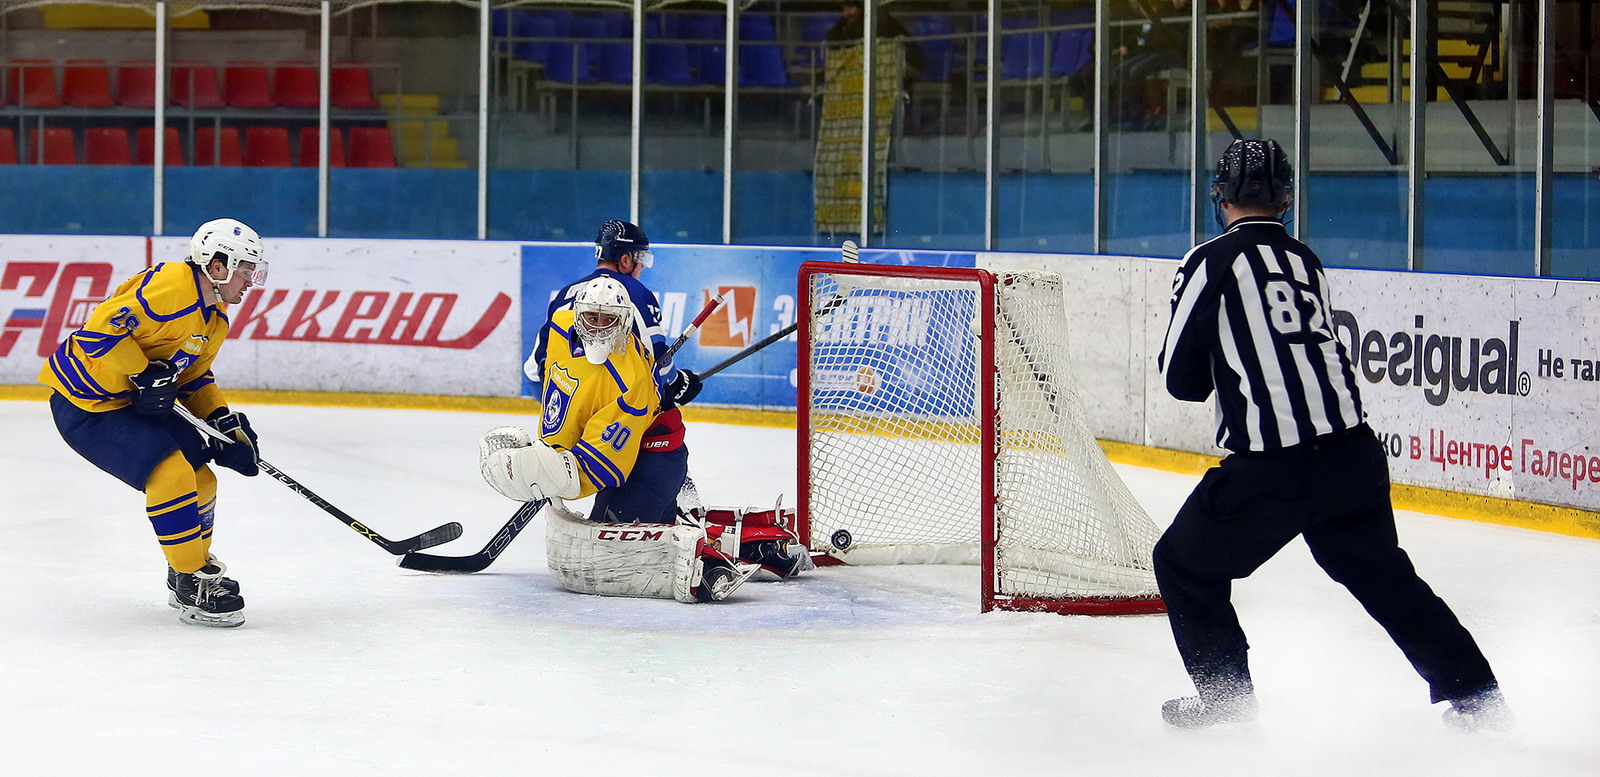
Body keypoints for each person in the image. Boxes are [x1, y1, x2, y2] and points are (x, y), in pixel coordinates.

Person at [1154, 138, 1510, 731]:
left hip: (1274, 466)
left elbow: (1180, 382)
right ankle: (1477, 697)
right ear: (1287, 198)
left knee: (1183, 563)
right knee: (1384, 577)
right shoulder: (1304, 262)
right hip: (1353, 456)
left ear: (1219, 197)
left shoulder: (1208, 262)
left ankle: (1227, 704)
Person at [39, 218, 267, 628]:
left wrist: (223, 422)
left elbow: (193, 379)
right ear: (216, 266)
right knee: (171, 474)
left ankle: (187, 570)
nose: (251, 278)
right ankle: (195, 578)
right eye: (246, 267)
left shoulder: (214, 318)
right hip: (87, 405)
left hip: (132, 404)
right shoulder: (172, 287)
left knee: (203, 480)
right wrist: (143, 371)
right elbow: (96, 333)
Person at [481, 277, 761, 602]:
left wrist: (543, 472)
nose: (598, 328)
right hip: (620, 450)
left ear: (625, 320)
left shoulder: (632, 381)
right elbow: (543, 382)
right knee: (612, 533)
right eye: (592, 317)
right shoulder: (557, 328)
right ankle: (683, 515)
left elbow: (598, 470)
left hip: (651, 457)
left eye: (608, 320)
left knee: (612, 552)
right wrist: (549, 452)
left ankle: (746, 546)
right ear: (577, 315)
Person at [524, 219, 702, 523]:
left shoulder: (564, 294)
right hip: (618, 425)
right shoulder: (635, 295)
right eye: (640, 259)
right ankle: (674, 495)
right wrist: (678, 384)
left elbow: (535, 369)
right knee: (665, 439)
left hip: (568, 422)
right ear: (625, 259)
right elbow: (658, 366)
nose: (641, 266)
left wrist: (569, 416)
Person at [825, 0, 925, 79]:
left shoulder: (877, 21)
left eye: (851, 8)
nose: (846, 13)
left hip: (903, 62)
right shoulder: (845, 24)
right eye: (844, 9)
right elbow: (833, 42)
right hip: (881, 63)